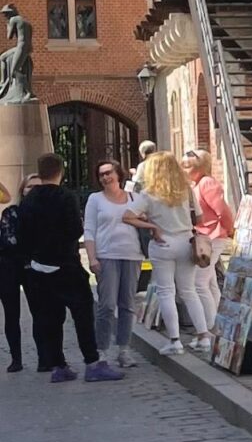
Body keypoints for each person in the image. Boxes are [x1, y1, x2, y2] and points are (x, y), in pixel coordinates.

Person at [15, 154, 123, 382]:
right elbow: (75, 229)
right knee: (83, 316)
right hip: (66, 265)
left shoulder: (28, 200)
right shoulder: (66, 196)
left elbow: (21, 236)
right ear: (60, 172)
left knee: (50, 320)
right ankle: (92, 363)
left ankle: (58, 366)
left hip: (39, 268)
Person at [126, 152, 213, 356]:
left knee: (166, 291)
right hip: (186, 241)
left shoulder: (148, 194)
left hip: (163, 242)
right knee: (189, 291)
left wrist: (151, 224)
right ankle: (203, 335)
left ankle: (175, 340)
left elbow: (128, 217)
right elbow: (199, 218)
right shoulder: (186, 190)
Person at [83, 160, 144, 370]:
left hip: (131, 254)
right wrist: (92, 258)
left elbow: (147, 218)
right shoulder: (95, 199)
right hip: (106, 255)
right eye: (101, 175)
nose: (105, 177)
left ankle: (124, 350)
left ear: (118, 174)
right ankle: (102, 351)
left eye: (109, 173)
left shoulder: (134, 198)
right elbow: (89, 229)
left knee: (127, 304)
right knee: (107, 305)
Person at [185, 148, 234, 329]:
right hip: (205, 236)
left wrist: (230, 230)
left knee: (199, 282)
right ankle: (218, 321)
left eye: (188, 166)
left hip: (212, 236)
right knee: (211, 281)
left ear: (199, 167)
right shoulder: (197, 185)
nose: (185, 170)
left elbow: (222, 210)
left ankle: (210, 325)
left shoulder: (207, 183)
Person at [0, 181, 28, 373]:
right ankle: (15, 358)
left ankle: (17, 358)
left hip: (9, 265)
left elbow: (6, 195)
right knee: (11, 314)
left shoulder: (9, 214)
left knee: (13, 314)